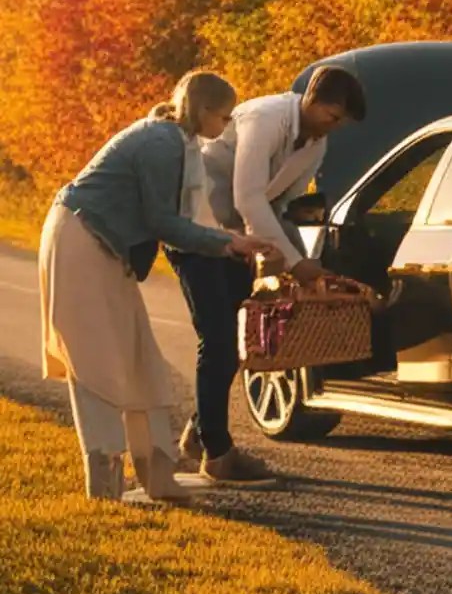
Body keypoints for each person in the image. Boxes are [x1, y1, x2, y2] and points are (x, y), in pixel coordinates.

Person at [38, 71, 275, 504]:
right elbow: (164, 224)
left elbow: (174, 221)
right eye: (223, 118)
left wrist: (228, 241)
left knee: (140, 360)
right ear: (203, 110)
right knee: (97, 365)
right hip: (80, 240)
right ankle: (105, 486)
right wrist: (231, 242)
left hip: (106, 248)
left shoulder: (179, 143)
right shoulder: (161, 144)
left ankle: (158, 479)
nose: (225, 128)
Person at [169, 65, 366, 482]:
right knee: (218, 340)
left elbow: (277, 208)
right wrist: (295, 262)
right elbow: (248, 195)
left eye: (341, 124)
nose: (333, 128)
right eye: (332, 116)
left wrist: (300, 262)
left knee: (239, 342)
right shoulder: (266, 118)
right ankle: (218, 456)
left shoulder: (316, 144)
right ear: (312, 100)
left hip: (238, 238)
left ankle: (199, 433)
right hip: (196, 227)